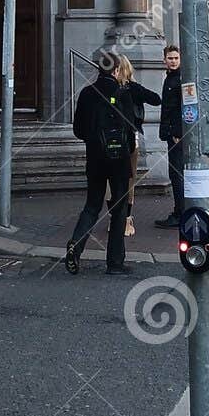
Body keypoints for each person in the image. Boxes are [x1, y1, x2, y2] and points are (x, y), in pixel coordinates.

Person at [66, 50, 136, 275]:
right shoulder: (123, 92)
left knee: (92, 205)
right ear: (116, 70)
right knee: (119, 208)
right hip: (119, 160)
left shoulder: (87, 93)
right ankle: (115, 262)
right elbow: (130, 129)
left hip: (95, 159)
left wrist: (93, 139)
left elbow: (78, 129)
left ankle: (75, 247)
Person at [117, 55, 162, 242]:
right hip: (130, 140)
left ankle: (116, 218)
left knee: (113, 182)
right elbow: (156, 99)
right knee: (128, 179)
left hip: (109, 141)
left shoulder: (107, 88)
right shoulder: (133, 88)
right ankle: (126, 219)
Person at [155, 45, 184, 230]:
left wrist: (177, 133)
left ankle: (180, 213)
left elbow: (184, 108)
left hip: (176, 135)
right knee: (175, 174)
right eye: (170, 58)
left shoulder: (180, 80)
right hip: (171, 132)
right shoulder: (170, 78)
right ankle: (179, 211)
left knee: (177, 174)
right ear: (164, 60)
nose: (173, 61)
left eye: (176, 58)